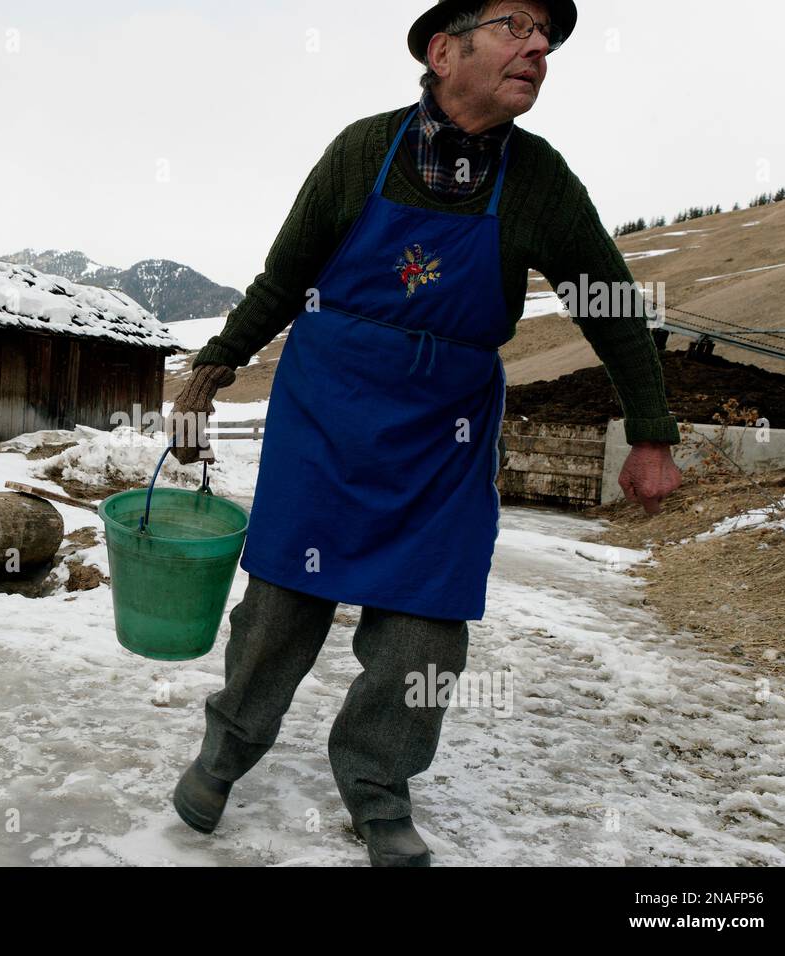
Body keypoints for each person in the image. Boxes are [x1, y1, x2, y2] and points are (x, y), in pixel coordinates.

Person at [166, 0, 683, 866]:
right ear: (445, 50)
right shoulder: (365, 150)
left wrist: (653, 432)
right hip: (327, 413)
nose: (539, 48)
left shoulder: (541, 179)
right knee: (282, 601)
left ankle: (377, 787)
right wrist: (212, 371)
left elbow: (614, 304)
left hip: (443, 432)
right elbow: (285, 278)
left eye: (545, 39)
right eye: (516, 26)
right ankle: (226, 751)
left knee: (428, 622)